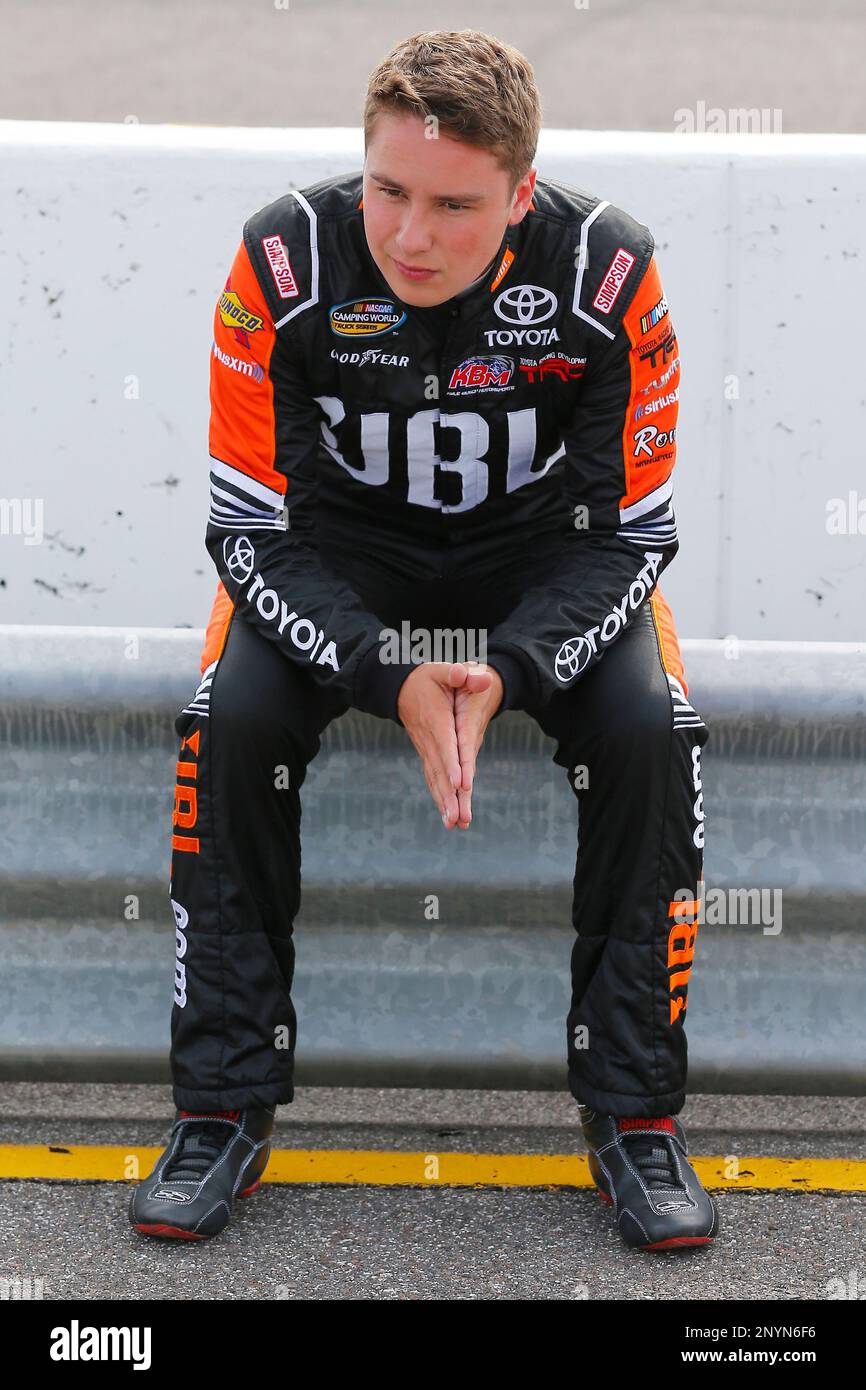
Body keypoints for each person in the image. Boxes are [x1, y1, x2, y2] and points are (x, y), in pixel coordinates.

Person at [129, 28, 717, 1252]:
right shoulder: (280, 258)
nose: (408, 236)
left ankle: (634, 1113)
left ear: (518, 195)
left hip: (548, 554)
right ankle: (221, 1103)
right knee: (222, 722)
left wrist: (506, 670)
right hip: (335, 553)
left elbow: (635, 534)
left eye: (453, 205)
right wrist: (388, 675)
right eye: (388, 191)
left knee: (654, 728)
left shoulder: (608, 274)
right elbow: (244, 531)